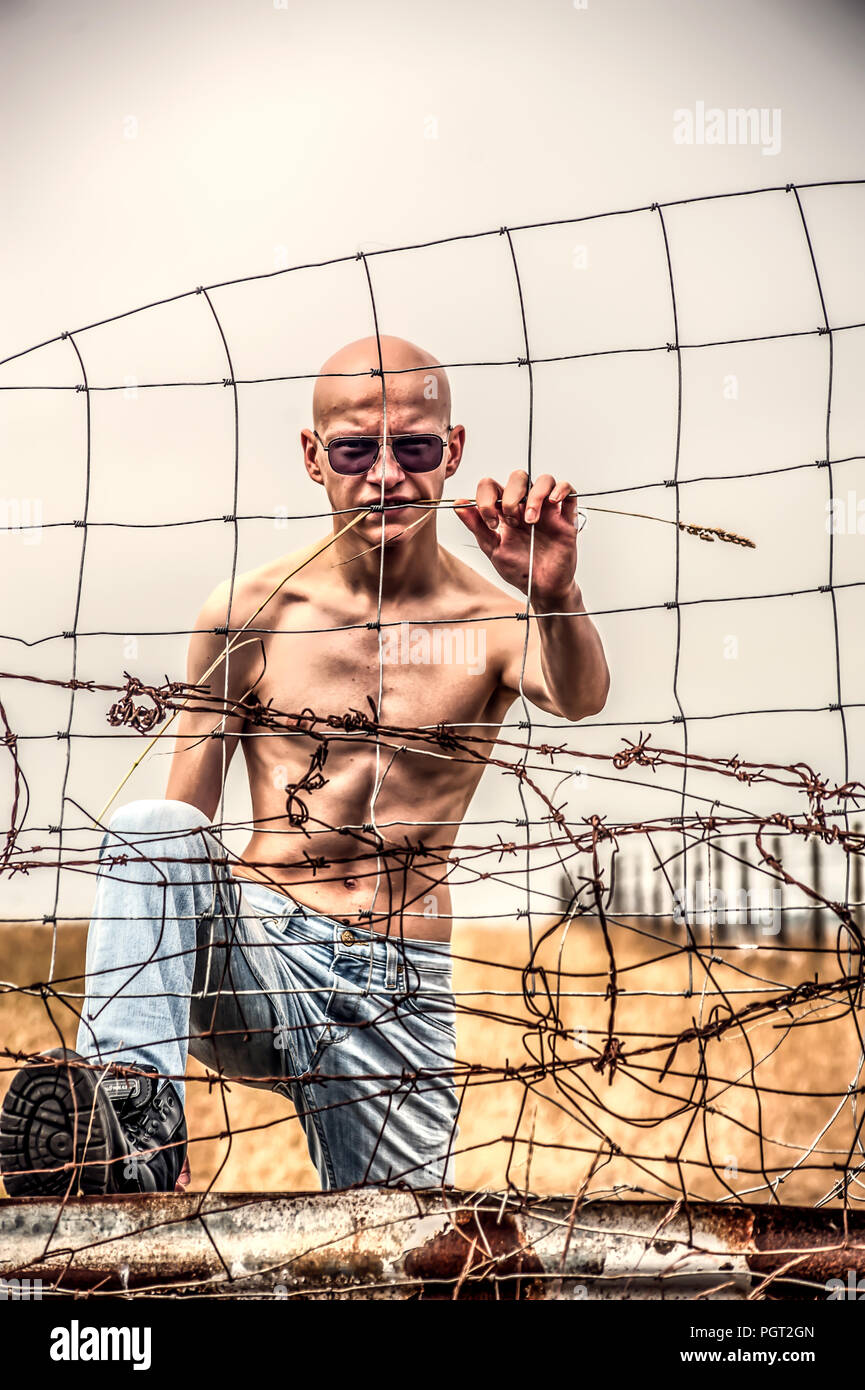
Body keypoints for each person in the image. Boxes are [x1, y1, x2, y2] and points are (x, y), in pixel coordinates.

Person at [0, 335, 609, 1197]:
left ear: (453, 452)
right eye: (357, 449)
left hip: (398, 982)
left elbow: (577, 694)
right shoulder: (251, 612)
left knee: (400, 1248)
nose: (387, 474)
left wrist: (553, 591)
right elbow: (182, 838)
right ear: (314, 457)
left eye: (415, 449)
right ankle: (132, 1125)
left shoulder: (496, 618)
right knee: (150, 830)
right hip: (263, 951)